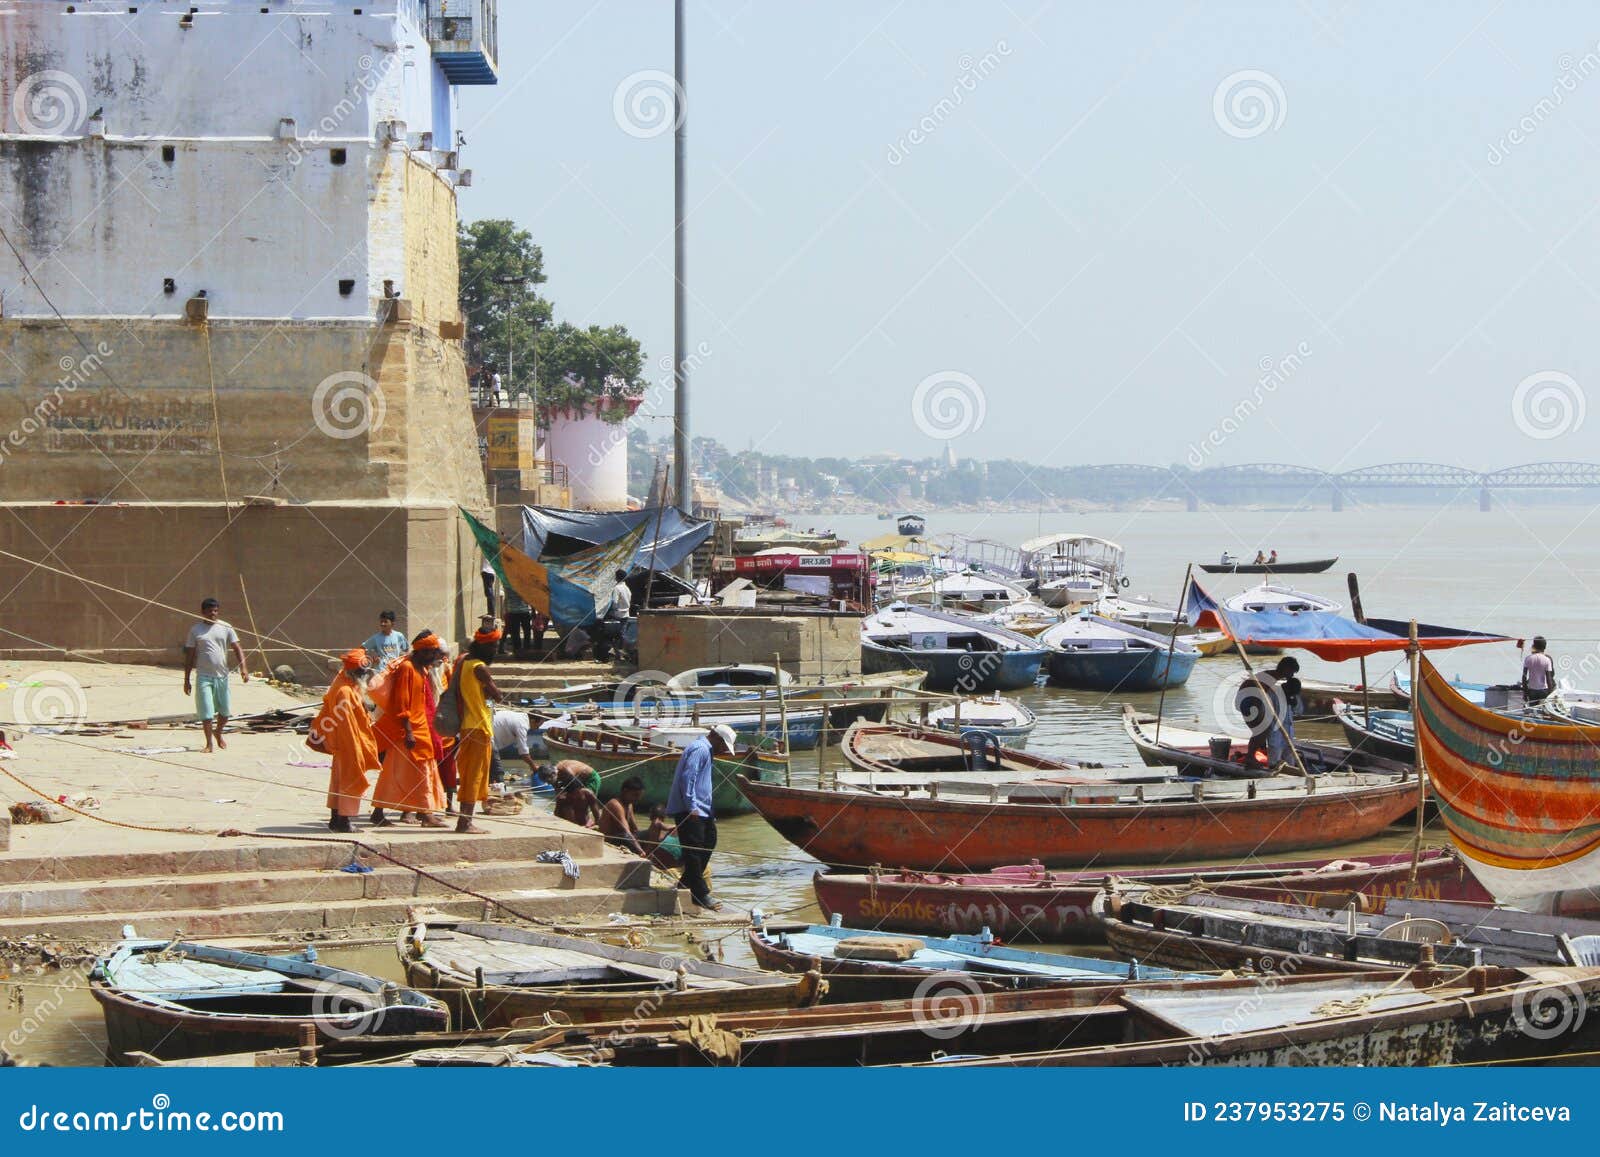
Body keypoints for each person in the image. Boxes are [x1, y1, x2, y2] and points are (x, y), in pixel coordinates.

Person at [371, 634, 448, 828]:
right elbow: (401, 701)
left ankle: (414, 812)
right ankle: (425, 814)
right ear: (422, 651)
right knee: (412, 771)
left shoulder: (422, 668)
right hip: (408, 730)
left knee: (411, 771)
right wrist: (408, 731)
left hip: (421, 726)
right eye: (432, 652)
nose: (434, 656)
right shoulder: (407, 668)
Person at [666, 723, 736, 912]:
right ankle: (699, 893)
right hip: (691, 809)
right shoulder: (700, 749)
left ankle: (686, 883)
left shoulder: (706, 750)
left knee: (709, 842)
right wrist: (691, 806)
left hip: (703, 809)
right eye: (723, 745)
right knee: (694, 851)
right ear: (717, 738)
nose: (723, 750)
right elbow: (688, 777)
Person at [312, 650, 381, 832]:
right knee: (350, 780)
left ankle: (336, 819)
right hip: (347, 743)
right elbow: (347, 726)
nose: (366, 675)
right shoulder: (344, 691)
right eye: (363, 672)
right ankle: (344, 821)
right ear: (355, 673)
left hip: (342, 744)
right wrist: (354, 750)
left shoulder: (346, 684)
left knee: (339, 781)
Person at [451, 623, 504, 835]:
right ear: (485, 646)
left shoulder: (464, 662)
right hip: (478, 726)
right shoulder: (480, 667)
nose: (496, 650)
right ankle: (465, 823)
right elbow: (497, 694)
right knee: (474, 775)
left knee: (470, 774)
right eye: (494, 646)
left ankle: (465, 820)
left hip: (468, 726)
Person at [183, 597, 250, 754]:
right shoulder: (196, 630)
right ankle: (208, 744)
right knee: (206, 713)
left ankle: (218, 732)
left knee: (225, 713)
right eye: (210, 611)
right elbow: (190, 656)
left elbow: (237, 647)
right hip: (203, 676)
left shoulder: (225, 627)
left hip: (222, 676)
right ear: (203, 612)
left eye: (216, 610)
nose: (213, 613)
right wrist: (186, 680)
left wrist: (244, 668)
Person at [1238, 658, 1299, 768]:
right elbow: (1258, 694)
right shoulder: (1270, 678)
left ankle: (1253, 755)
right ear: (1286, 669)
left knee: (1262, 731)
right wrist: (1260, 711)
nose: (1291, 675)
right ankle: (1250, 757)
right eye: (1292, 672)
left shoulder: (1273, 676)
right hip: (1249, 701)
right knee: (1262, 730)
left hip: (1247, 700)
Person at [598, 777, 647, 856]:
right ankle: (643, 855)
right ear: (625, 791)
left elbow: (634, 829)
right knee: (626, 836)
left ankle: (649, 854)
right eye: (635, 795)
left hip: (622, 838)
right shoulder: (615, 804)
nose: (637, 799)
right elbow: (626, 831)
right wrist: (640, 850)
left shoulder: (629, 804)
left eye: (639, 796)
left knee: (649, 832)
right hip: (610, 841)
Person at [641, 804, 681, 870]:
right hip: (677, 859)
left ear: (650, 816)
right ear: (664, 816)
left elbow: (652, 846)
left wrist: (645, 854)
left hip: (664, 858)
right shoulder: (671, 827)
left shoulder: (655, 824)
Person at [1523, 636, 1555, 704]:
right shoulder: (1547, 659)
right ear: (1545, 647)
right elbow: (1549, 679)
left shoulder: (1528, 658)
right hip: (1544, 690)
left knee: (1532, 710)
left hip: (1532, 690)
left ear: (1534, 646)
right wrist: (1551, 694)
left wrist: (1525, 692)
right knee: (1543, 711)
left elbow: (1524, 677)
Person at [502, 586, 533, 656]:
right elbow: (528, 598)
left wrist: (505, 610)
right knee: (525, 631)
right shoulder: (521, 585)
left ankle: (518, 649)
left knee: (516, 632)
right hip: (522, 611)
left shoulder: (507, 586)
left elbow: (506, 599)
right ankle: (525, 649)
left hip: (513, 611)